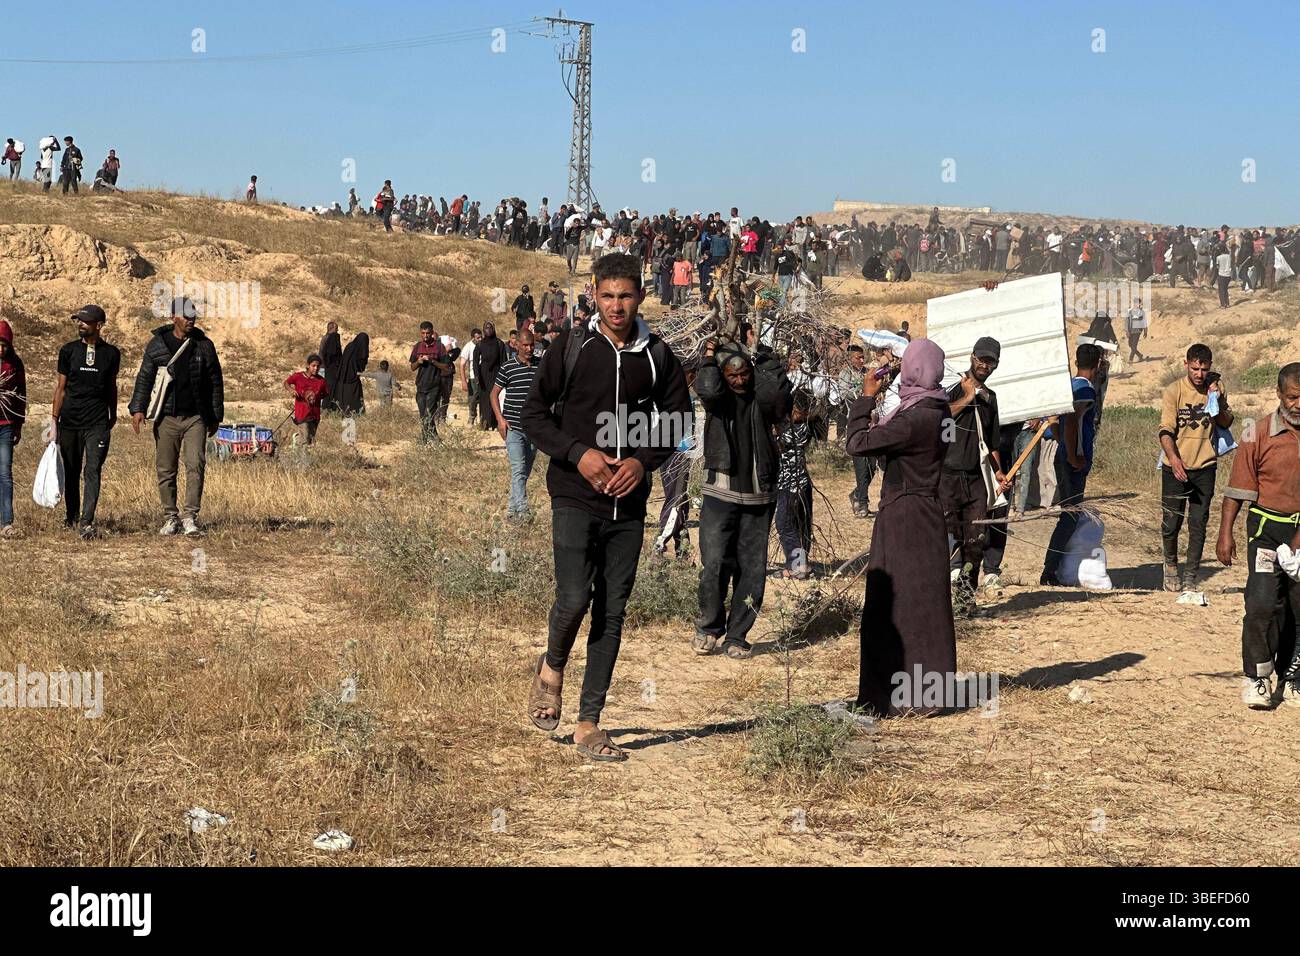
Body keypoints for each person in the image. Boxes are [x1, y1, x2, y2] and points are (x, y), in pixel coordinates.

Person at [519, 252, 691, 762]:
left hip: (629, 506)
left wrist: (643, 462)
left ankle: (589, 724)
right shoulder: (572, 347)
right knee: (573, 597)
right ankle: (552, 668)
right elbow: (532, 413)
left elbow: (679, 421)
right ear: (594, 294)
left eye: (627, 295)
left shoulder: (657, 355)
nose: (617, 306)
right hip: (574, 495)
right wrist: (579, 454)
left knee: (612, 612)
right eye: (608, 295)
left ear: (641, 296)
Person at [846, 339, 956, 716]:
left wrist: (865, 399)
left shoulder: (913, 419)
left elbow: (857, 444)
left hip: (902, 516)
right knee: (925, 603)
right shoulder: (941, 411)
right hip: (929, 512)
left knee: (888, 604)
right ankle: (930, 695)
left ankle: (885, 697)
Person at [692, 337, 792, 658]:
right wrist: (709, 357)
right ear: (723, 375)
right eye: (732, 375)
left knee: (752, 569)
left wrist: (763, 356)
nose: (739, 380)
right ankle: (709, 628)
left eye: (744, 373)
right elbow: (706, 389)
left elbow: (777, 398)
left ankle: (737, 635)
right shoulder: (718, 398)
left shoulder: (761, 396)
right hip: (720, 491)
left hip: (759, 495)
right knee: (715, 563)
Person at [1218, 363, 1300, 708]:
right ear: (1279, 394)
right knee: (1263, 602)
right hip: (1266, 531)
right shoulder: (1257, 431)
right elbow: (1237, 490)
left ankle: (1293, 677)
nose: (1299, 404)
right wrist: (1226, 534)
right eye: (1294, 397)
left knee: (1298, 606)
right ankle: (1257, 677)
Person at [128, 297, 224, 536]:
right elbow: (145, 378)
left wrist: (215, 416)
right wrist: (138, 408)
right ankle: (170, 517)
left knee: (196, 465)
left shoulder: (204, 345)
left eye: (193, 315)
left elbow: (215, 381)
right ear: (173, 317)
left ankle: (190, 516)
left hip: (196, 417)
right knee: (166, 469)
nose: (191, 319)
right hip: (166, 417)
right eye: (185, 315)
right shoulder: (157, 345)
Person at [941, 337, 1008, 608]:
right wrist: (967, 397)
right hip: (946, 477)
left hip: (976, 479)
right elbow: (938, 421)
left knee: (976, 539)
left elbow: (992, 444)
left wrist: (999, 472)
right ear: (971, 357)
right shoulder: (952, 390)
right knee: (948, 537)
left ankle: (966, 598)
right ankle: (944, 599)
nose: (984, 365)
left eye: (990, 361)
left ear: (996, 365)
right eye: (981, 359)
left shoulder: (991, 399)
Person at [1160, 344, 1233, 593]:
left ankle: (1190, 576)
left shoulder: (1217, 388)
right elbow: (1165, 431)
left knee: (1198, 523)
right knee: (1171, 523)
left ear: (1209, 367)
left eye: (1203, 368)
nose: (1199, 374)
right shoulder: (1174, 391)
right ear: (1186, 365)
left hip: (1205, 468)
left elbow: (1225, 421)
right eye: (1194, 368)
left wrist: (1217, 398)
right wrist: (1174, 459)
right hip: (1176, 468)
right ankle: (1170, 566)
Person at [51, 305, 120, 539]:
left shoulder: (111, 354)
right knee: (71, 471)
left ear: (98, 326)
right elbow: (60, 388)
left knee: (93, 470)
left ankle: (86, 521)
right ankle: (71, 517)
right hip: (69, 421)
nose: (80, 324)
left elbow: (111, 387)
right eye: (78, 321)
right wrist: (53, 421)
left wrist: (113, 414)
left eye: (85, 321)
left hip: (97, 423)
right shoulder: (68, 351)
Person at [1040, 345, 1102, 586]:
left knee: (1069, 514)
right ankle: (1050, 570)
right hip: (1072, 461)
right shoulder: (1085, 389)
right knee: (1069, 516)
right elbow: (1072, 422)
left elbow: (1054, 421)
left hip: (1063, 455)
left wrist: (1061, 443)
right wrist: (1074, 455)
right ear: (1097, 365)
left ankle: (1054, 567)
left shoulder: (1068, 386)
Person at [492, 329, 541, 521]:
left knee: (524, 472)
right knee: (519, 469)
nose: (529, 349)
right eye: (526, 345)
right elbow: (493, 394)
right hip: (513, 428)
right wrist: (500, 419)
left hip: (535, 429)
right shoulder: (507, 367)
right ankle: (523, 511)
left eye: (532, 345)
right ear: (517, 345)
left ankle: (512, 513)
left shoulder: (541, 366)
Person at [775, 393, 814, 579]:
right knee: (801, 525)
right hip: (802, 483)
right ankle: (802, 562)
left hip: (789, 485)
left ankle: (796, 565)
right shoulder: (805, 428)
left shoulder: (791, 431)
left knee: (785, 524)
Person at [0, 319, 25, 537]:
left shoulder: (15, 364)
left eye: (4, 344)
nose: (1, 348)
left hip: (6, 425)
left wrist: (18, 425)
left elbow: (21, 396)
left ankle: (7, 523)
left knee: (5, 473)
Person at [410, 323, 449, 442]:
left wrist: (432, 361)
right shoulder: (417, 346)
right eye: (423, 333)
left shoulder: (439, 347)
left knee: (429, 412)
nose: (425, 336)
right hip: (421, 385)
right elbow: (412, 367)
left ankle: (424, 438)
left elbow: (446, 366)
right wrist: (419, 361)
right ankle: (435, 437)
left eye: (427, 333)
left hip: (434, 385)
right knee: (423, 414)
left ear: (432, 332)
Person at [285, 355, 329, 446]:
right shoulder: (298, 377)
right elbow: (286, 383)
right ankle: (302, 458)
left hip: (315, 414)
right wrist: (291, 390)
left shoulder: (321, 381)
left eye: (318, 366)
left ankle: (296, 440)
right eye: (313, 366)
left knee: (310, 440)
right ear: (308, 365)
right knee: (304, 438)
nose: (316, 368)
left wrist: (315, 398)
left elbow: (325, 394)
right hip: (302, 413)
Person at [473, 322, 507, 431]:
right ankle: (485, 423)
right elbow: (475, 361)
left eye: (490, 327)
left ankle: (495, 422)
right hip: (483, 375)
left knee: (495, 397)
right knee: (484, 399)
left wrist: (504, 376)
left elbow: (503, 361)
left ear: (494, 329)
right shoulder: (480, 344)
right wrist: (477, 375)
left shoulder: (499, 343)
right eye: (485, 328)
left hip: (497, 374)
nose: (488, 329)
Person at [333, 333, 369, 416]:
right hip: (353, 379)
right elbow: (362, 361)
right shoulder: (360, 348)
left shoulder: (350, 346)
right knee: (354, 399)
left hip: (342, 376)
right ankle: (356, 414)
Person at [459, 328, 482, 427]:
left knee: (484, 399)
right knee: (473, 399)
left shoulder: (484, 345)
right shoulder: (468, 347)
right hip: (473, 377)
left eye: (481, 337)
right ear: (473, 338)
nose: (480, 339)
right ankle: (472, 417)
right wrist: (463, 381)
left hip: (484, 377)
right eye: (478, 338)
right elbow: (462, 365)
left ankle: (483, 420)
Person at [318, 322, 342, 412]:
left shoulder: (327, 338)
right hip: (325, 368)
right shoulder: (329, 339)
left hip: (325, 367)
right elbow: (327, 355)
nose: (337, 331)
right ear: (331, 328)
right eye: (336, 329)